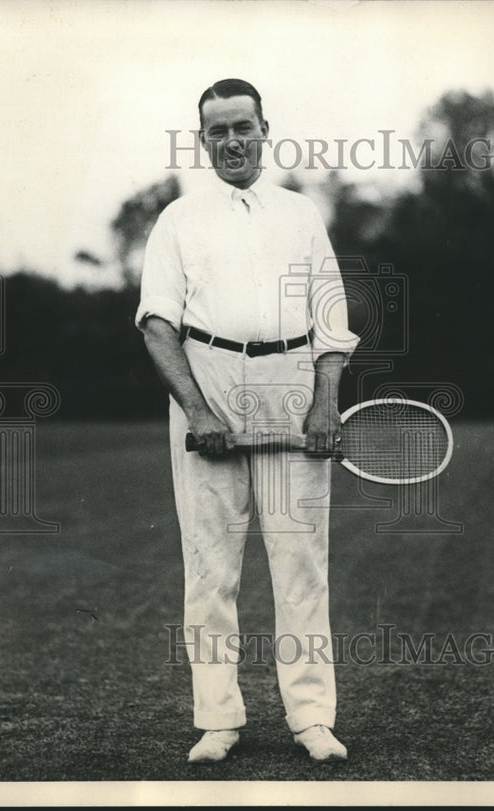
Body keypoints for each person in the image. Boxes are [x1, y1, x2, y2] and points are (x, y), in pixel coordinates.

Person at [136, 78, 359, 763]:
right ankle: (219, 720)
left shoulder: (301, 213)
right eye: (218, 131)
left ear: (265, 129)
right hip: (207, 385)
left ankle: (312, 718)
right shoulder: (178, 219)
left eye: (243, 127)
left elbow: (330, 321)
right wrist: (198, 409)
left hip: (293, 387)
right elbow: (156, 324)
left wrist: (324, 402)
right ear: (203, 139)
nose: (232, 140)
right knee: (209, 568)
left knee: (300, 564)